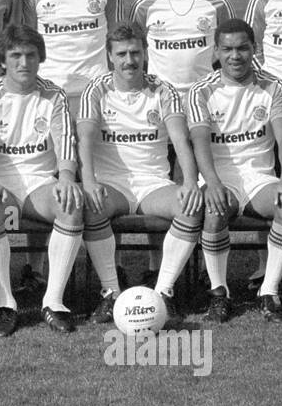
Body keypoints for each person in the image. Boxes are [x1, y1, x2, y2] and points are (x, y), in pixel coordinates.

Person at [77, 22, 203, 327]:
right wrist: (90, 181)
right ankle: (110, 293)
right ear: (109, 56)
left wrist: (189, 182)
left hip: (153, 184)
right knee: (88, 204)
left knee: (191, 205)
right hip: (112, 185)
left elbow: (180, 139)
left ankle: (163, 292)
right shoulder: (95, 89)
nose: (129, 60)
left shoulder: (163, 89)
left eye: (135, 52)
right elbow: (85, 140)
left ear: (145, 53)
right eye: (121, 54)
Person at [0, 26, 85, 335]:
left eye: (31, 55)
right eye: (15, 55)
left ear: (40, 58)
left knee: (70, 203)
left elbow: (65, 144)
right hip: (1, 184)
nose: (24, 62)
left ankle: (54, 302)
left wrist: (67, 177)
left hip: (39, 184)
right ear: (3, 61)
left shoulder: (53, 95)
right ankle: (6, 305)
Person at [187, 19, 282, 323]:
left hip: (259, 178)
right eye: (227, 49)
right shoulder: (200, 91)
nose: (235, 56)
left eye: (242, 48)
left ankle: (269, 292)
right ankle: (218, 293)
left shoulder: (273, 86)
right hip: (218, 176)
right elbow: (199, 144)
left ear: (255, 49)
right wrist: (211, 183)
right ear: (216, 51)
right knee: (213, 212)